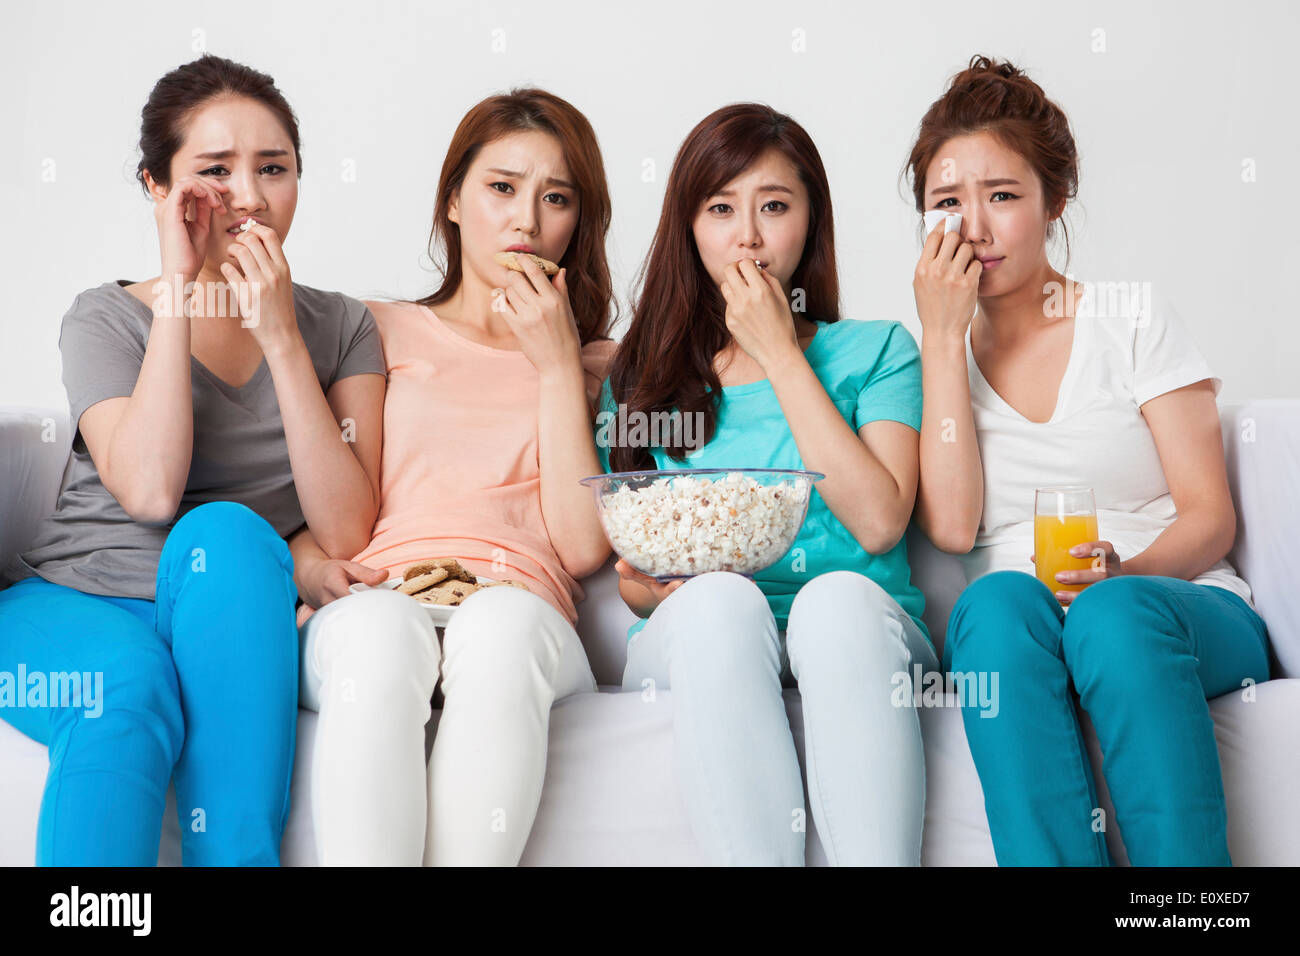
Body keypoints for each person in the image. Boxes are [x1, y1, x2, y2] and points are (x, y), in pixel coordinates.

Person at [0, 55, 386, 865]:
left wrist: (279, 335)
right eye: (214, 171)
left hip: (230, 603)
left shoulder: (342, 327)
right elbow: (145, 488)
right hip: (77, 601)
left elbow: (347, 525)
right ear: (157, 188)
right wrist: (179, 285)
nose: (248, 196)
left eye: (273, 168)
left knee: (233, 537)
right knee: (126, 688)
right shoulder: (104, 317)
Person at [909, 55, 1271, 865]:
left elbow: (1211, 517)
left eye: (1002, 196)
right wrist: (939, 337)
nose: (974, 227)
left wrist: (1126, 574)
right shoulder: (933, 362)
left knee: (1111, 617)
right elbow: (955, 526)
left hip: (1176, 605)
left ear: (1054, 202)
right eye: (946, 204)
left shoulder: (1129, 317)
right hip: (1025, 624)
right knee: (995, 608)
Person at [599, 103, 937, 865]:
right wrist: (650, 591)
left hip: (857, 627)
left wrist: (782, 355)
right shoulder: (645, 380)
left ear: (810, 224)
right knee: (722, 600)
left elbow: (881, 521)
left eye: (774, 207)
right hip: (703, 632)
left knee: (835, 599)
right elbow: (636, 572)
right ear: (689, 229)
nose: (747, 236)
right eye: (721, 209)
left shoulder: (875, 351)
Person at [288, 89, 617, 865]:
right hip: (383, 595)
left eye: (556, 198)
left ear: (578, 221)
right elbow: (339, 507)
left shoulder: (603, 364)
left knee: (498, 624)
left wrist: (557, 363)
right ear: (455, 203)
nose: (527, 221)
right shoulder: (375, 328)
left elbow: (579, 548)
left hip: (523, 612)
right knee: (380, 628)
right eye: (502, 188)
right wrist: (305, 563)